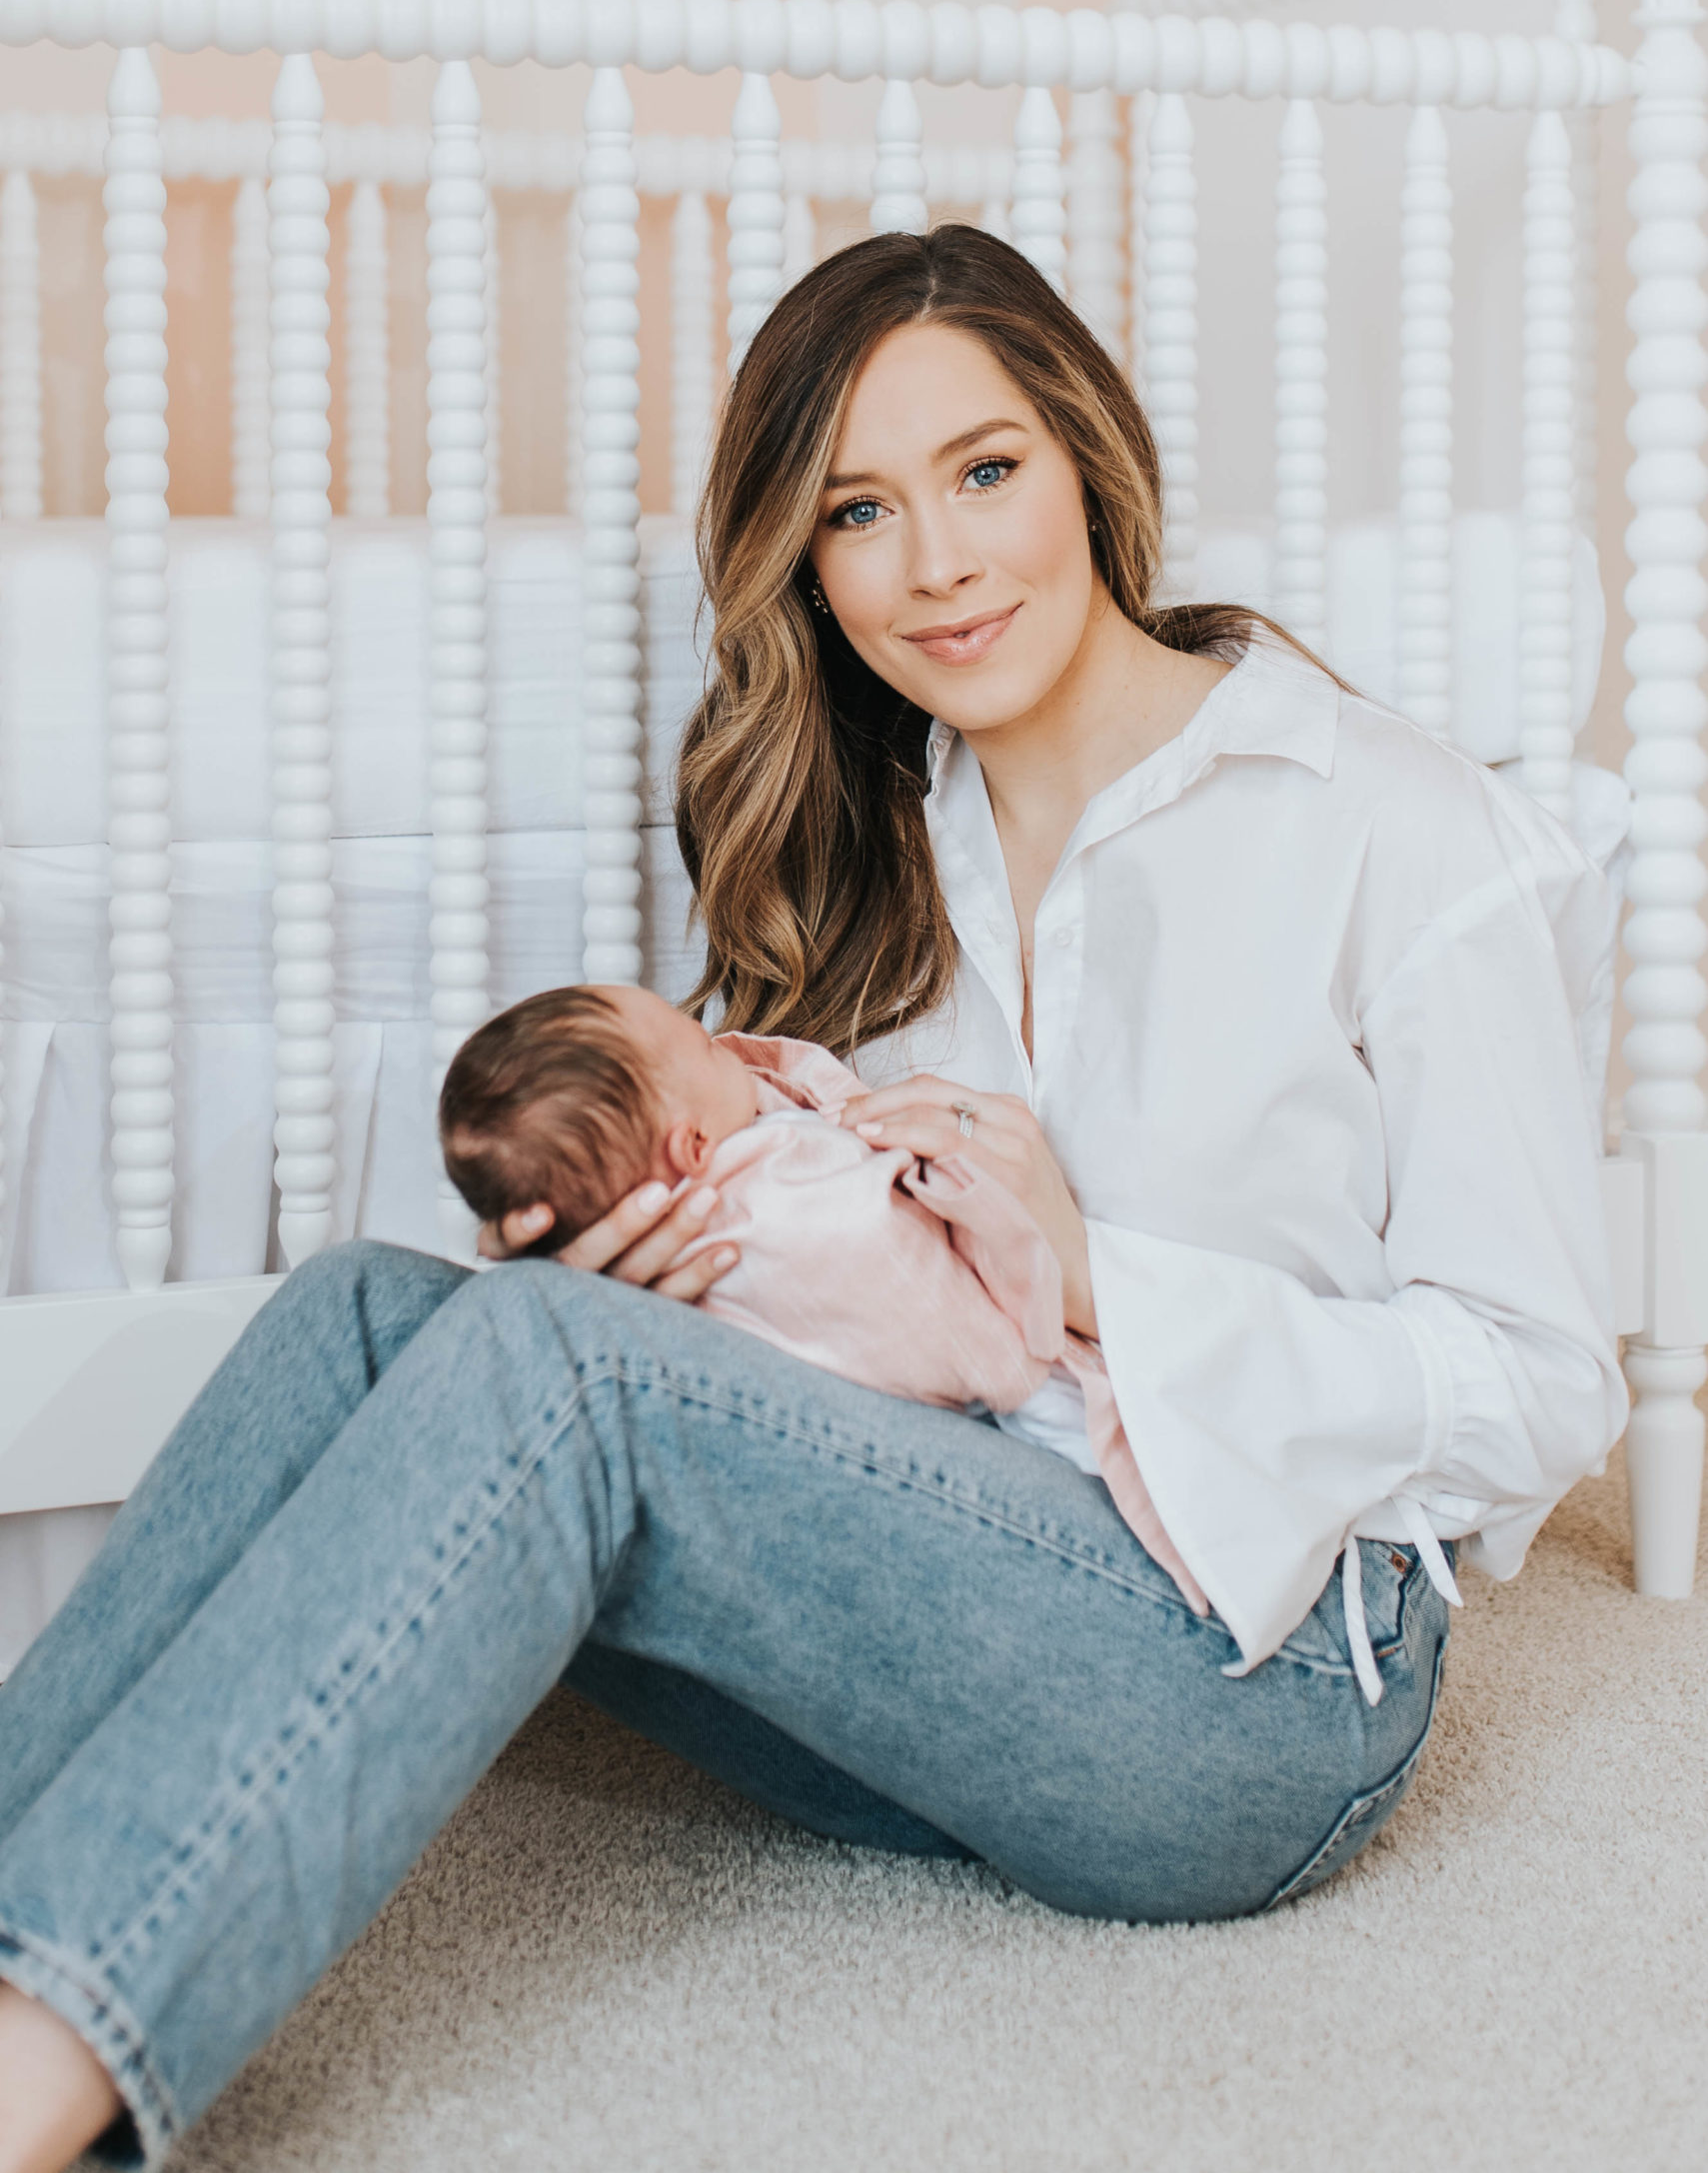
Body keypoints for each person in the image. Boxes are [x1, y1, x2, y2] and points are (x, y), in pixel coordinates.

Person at [0, 226, 1625, 2173]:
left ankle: (43, 2076)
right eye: (858, 507)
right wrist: (660, 1286)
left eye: (982, 468)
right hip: (951, 1611)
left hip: (1248, 1688)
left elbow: (1540, 1379)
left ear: (1087, 457)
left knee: (556, 1377)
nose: (934, 558)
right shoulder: (867, 834)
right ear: (804, 557)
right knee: (372, 1304)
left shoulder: (1389, 817)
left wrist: (1099, 1278)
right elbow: (835, 1313)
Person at [437, 984, 1202, 1601]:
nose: (729, 1044)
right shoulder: (785, 1188)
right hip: (995, 1399)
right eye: (708, 1046)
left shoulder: (749, 1157)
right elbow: (876, 1249)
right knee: (368, 1286)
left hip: (1036, 1451)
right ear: (693, 1147)